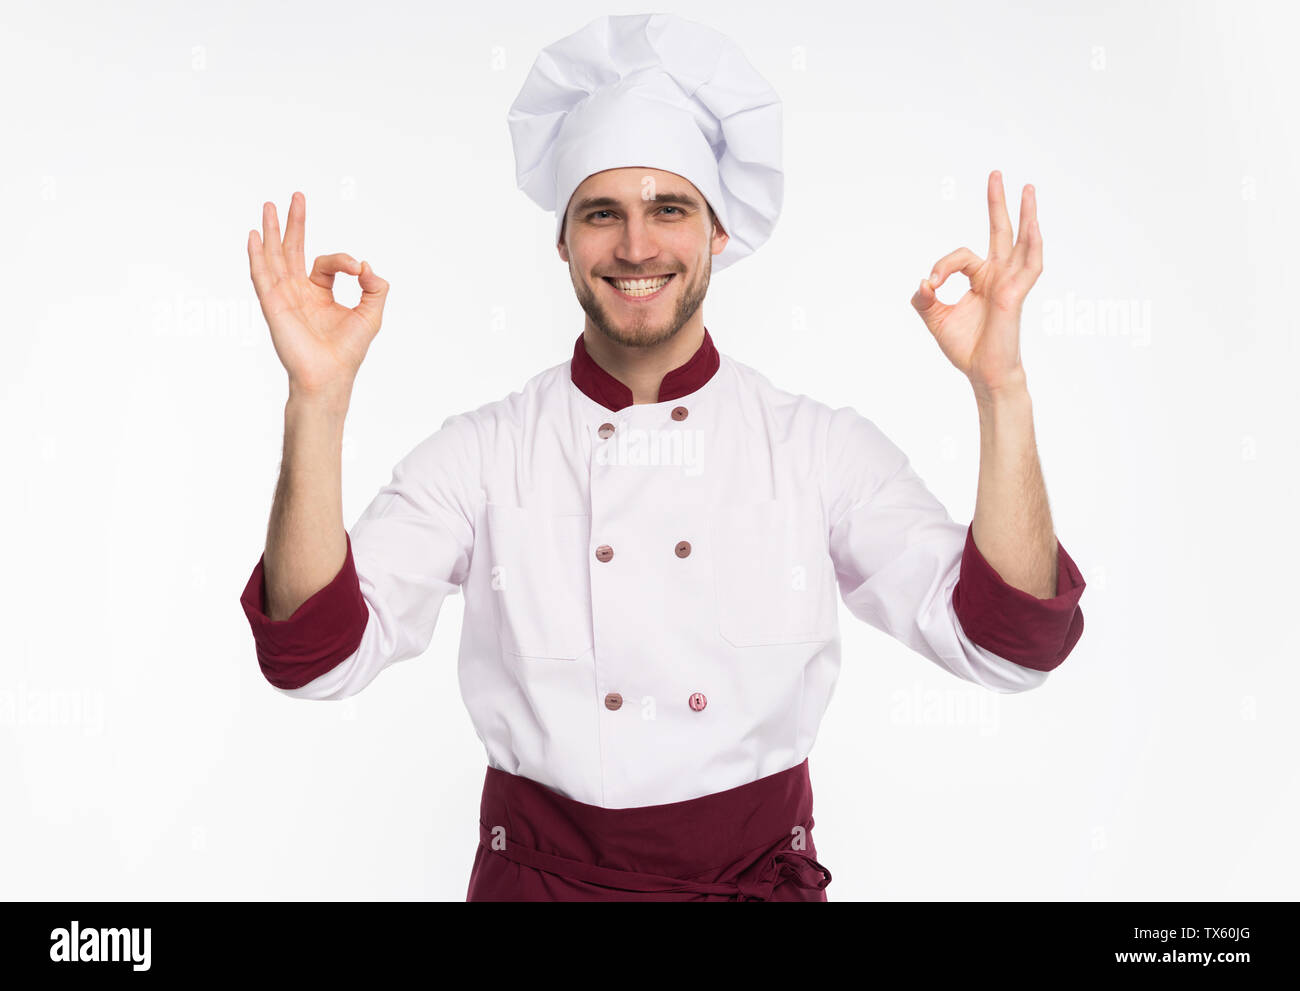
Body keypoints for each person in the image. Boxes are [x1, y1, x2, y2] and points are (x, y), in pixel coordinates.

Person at [239, 13, 1086, 902]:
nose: (637, 247)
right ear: (563, 240)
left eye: (669, 209)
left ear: (718, 231)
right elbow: (313, 656)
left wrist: (1002, 388)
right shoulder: (484, 456)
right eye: (603, 214)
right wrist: (318, 399)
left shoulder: (815, 450)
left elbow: (1011, 644)